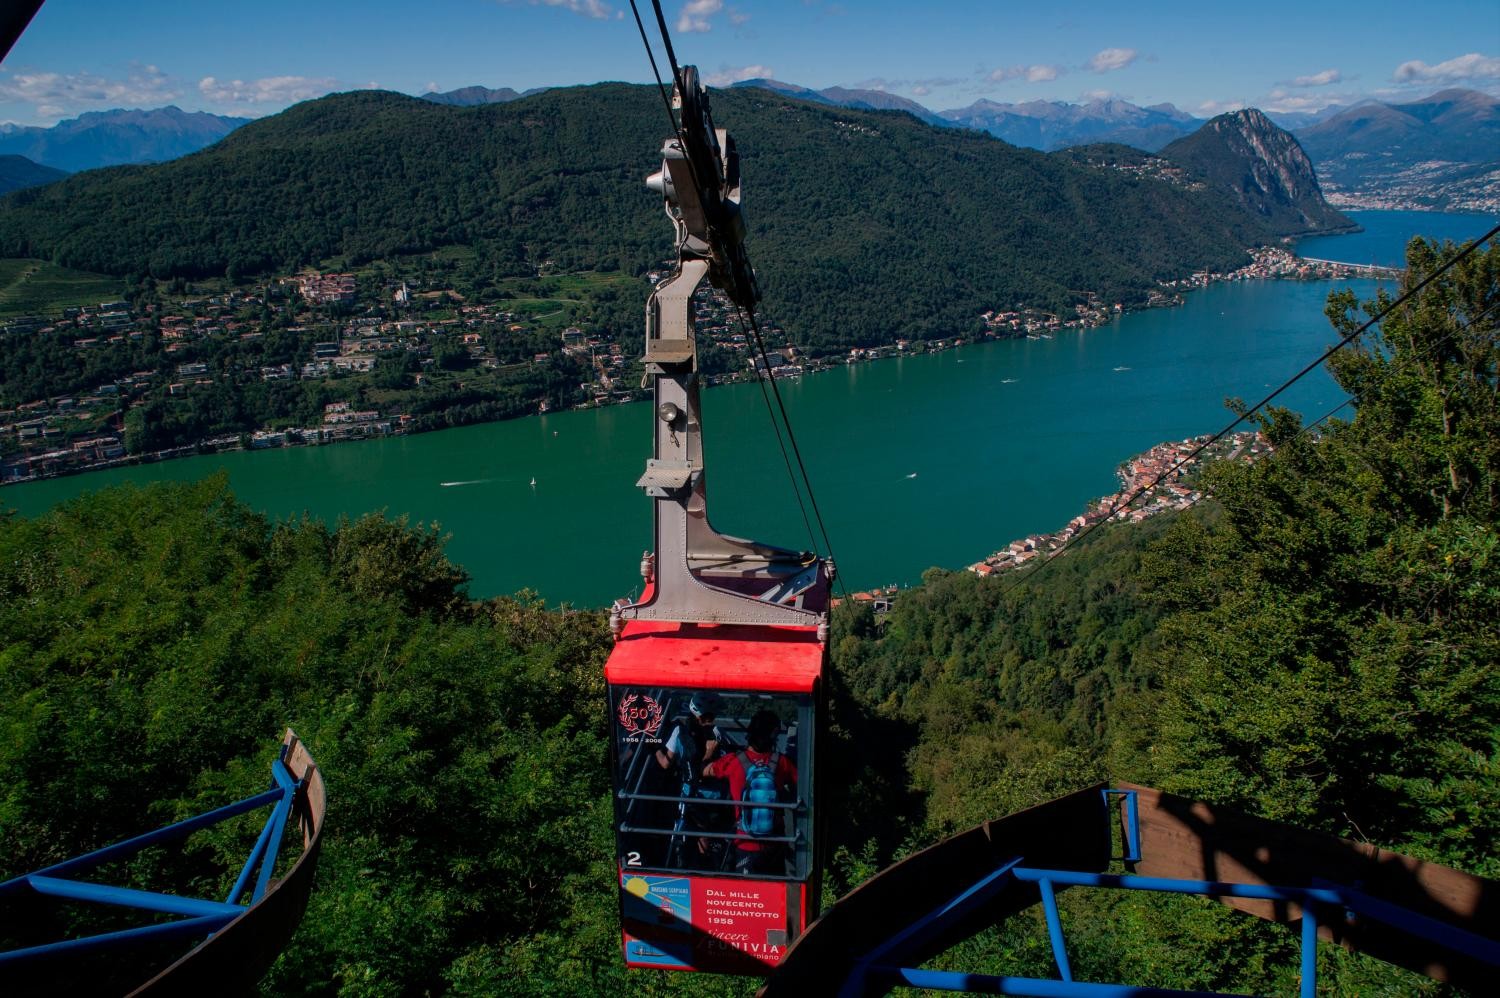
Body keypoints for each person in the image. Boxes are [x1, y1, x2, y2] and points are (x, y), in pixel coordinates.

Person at [703, 708, 797, 875]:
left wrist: (709, 752)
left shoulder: (732, 761)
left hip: (745, 843)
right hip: (774, 843)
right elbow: (799, 783)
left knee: (749, 896)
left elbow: (704, 771)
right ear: (773, 735)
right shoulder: (782, 763)